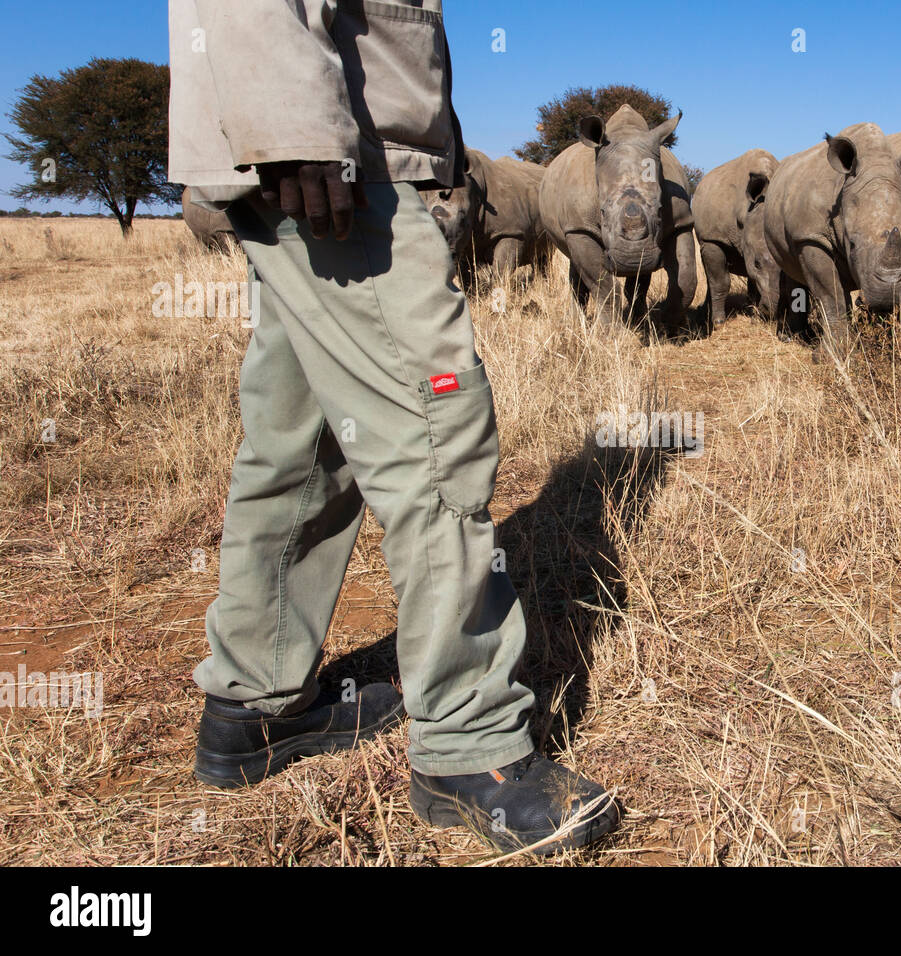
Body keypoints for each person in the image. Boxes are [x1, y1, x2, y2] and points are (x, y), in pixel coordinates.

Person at [168, 0, 617, 855]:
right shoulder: (307, 127)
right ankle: (469, 744)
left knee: (304, 443)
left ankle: (252, 703)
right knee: (437, 426)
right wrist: (295, 124)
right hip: (331, 148)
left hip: (314, 137)